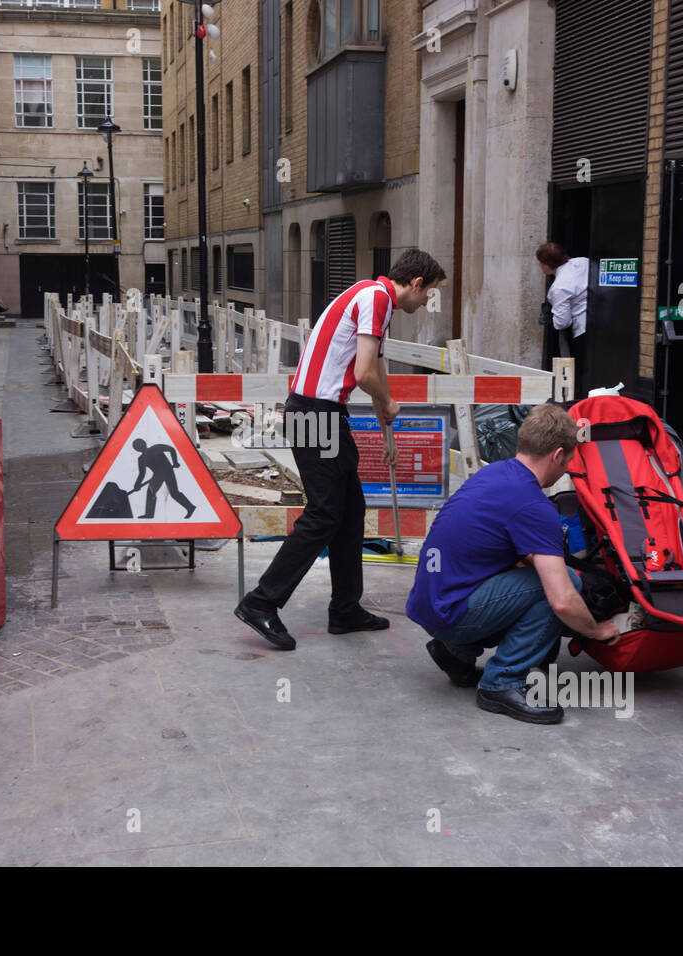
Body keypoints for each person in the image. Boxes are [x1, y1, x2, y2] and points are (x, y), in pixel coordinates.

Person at [234, 249, 446, 650]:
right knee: (324, 514)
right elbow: (365, 374)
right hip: (317, 415)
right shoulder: (377, 299)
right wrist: (387, 400)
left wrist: (386, 409)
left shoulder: (374, 298)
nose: (426, 303)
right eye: (429, 294)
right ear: (416, 284)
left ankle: (346, 609)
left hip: (322, 414)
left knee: (349, 512)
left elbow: (374, 366)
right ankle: (261, 603)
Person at [406, 404, 620, 724]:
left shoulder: (495, 472)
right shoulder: (534, 506)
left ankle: (456, 654)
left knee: (524, 570)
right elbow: (562, 601)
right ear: (558, 454)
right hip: (450, 613)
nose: (567, 468)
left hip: (429, 600)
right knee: (564, 585)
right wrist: (598, 629)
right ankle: (501, 683)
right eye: (570, 460)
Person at [536, 242, 589, 396]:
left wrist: (552, 316)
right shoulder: (583, 262)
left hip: (582, 330)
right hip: (602, 321)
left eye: (540, 262)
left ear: (546, 265)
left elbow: (562, 322)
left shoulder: (558, 288)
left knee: (579, 373)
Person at [129, 438, 195, 519]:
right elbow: (142, 474)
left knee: (154, 492)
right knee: (172, 493)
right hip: (162, 473)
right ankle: (190, 507)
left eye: (139, 446)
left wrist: (175, 462)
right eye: (138, 447)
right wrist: (137, 484)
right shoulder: (143, 457)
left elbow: (171, 449)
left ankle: (149, 515)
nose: (140, 448)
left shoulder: (154, 449)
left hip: (164, 473)